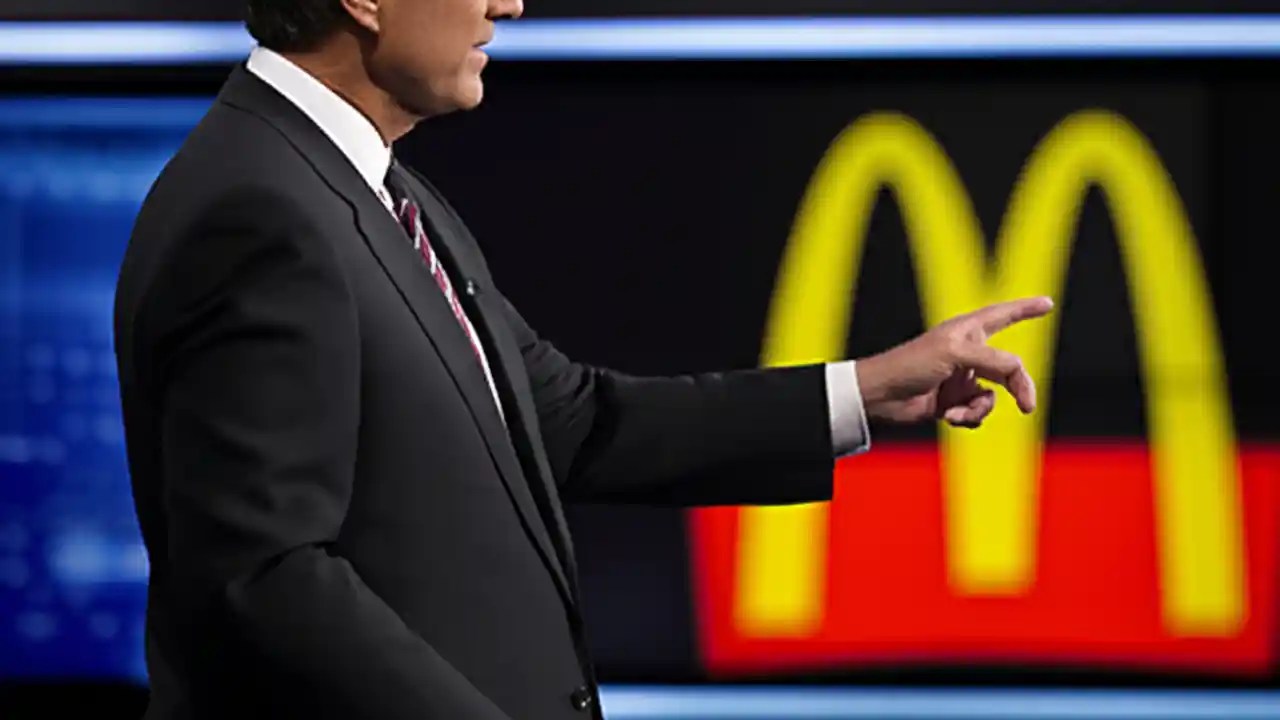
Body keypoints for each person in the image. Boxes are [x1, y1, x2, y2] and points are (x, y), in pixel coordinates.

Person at [112, 1, 1053, 718]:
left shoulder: (379, 193)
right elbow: (266, 578)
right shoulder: (262, 209)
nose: (507, 4)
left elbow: (569, 419)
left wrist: (865, 390)